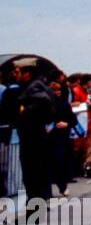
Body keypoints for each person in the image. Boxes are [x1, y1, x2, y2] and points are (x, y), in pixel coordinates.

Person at [13, 58, 54, 201]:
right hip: (36, 135)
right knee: (36, 175)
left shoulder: (33, 87)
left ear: (27, 72)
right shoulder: (38, 85)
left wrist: (25, 111)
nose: (14, 74)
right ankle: (36, 211)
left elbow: (45, 103)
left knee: (32, 175)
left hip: (32, 137)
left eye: (17, 71)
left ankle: (34, 213)